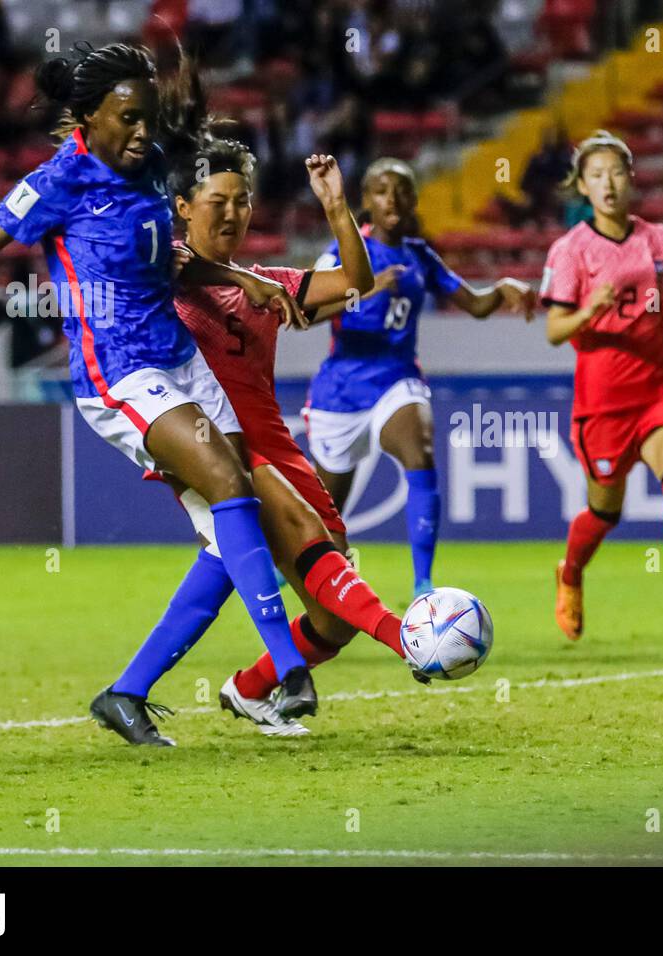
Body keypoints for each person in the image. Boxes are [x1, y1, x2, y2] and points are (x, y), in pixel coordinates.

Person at [0, 43, 318, 746]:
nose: (144, 133)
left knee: (226, 535)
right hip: (118, 376)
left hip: (180, 360)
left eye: (147, 117)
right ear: (87, 116)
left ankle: (125, 694)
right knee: (232, 489)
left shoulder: (143, 167)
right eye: (128, 118)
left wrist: (244, 279)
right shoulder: (59, 181)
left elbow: (166, 259)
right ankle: (292, 668)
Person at [115, 142, 419, 740]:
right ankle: (407, 635)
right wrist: (245, 282)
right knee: (303, 541)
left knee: (331, 618)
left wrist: (335, 207)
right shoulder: (168, 265)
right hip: (213, 442)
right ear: (181, 206)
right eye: (217, 201)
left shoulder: (271, 283)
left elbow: (357, 282)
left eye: (243, 201)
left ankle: (232, 689)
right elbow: (175, 264)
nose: (232, 213)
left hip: (276, 444)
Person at [302, 157, 536, 598]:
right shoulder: (343, 252)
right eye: (382, 190)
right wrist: (367, 288)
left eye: (402, 190)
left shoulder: (420, 256)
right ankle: (294, 565)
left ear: (413, 200)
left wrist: (504, 286)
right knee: (325, 516)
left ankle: (423, 584)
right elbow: (304, 314)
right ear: (367, 201)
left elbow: (475, 304)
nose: (393, 198)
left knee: (420, 450)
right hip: (341, 390)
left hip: (397, 378)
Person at [540, 130, 663, 640]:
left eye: (617, 172)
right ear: (582, 185)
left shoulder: (657, 240)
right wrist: (587, 311)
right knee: (604, 512)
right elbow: (554, 330)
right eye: (596, 175)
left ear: (631, 178)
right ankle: (571, 572)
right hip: (602, 401)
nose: (609, 184)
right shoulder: (570, 250)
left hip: (658, 387)